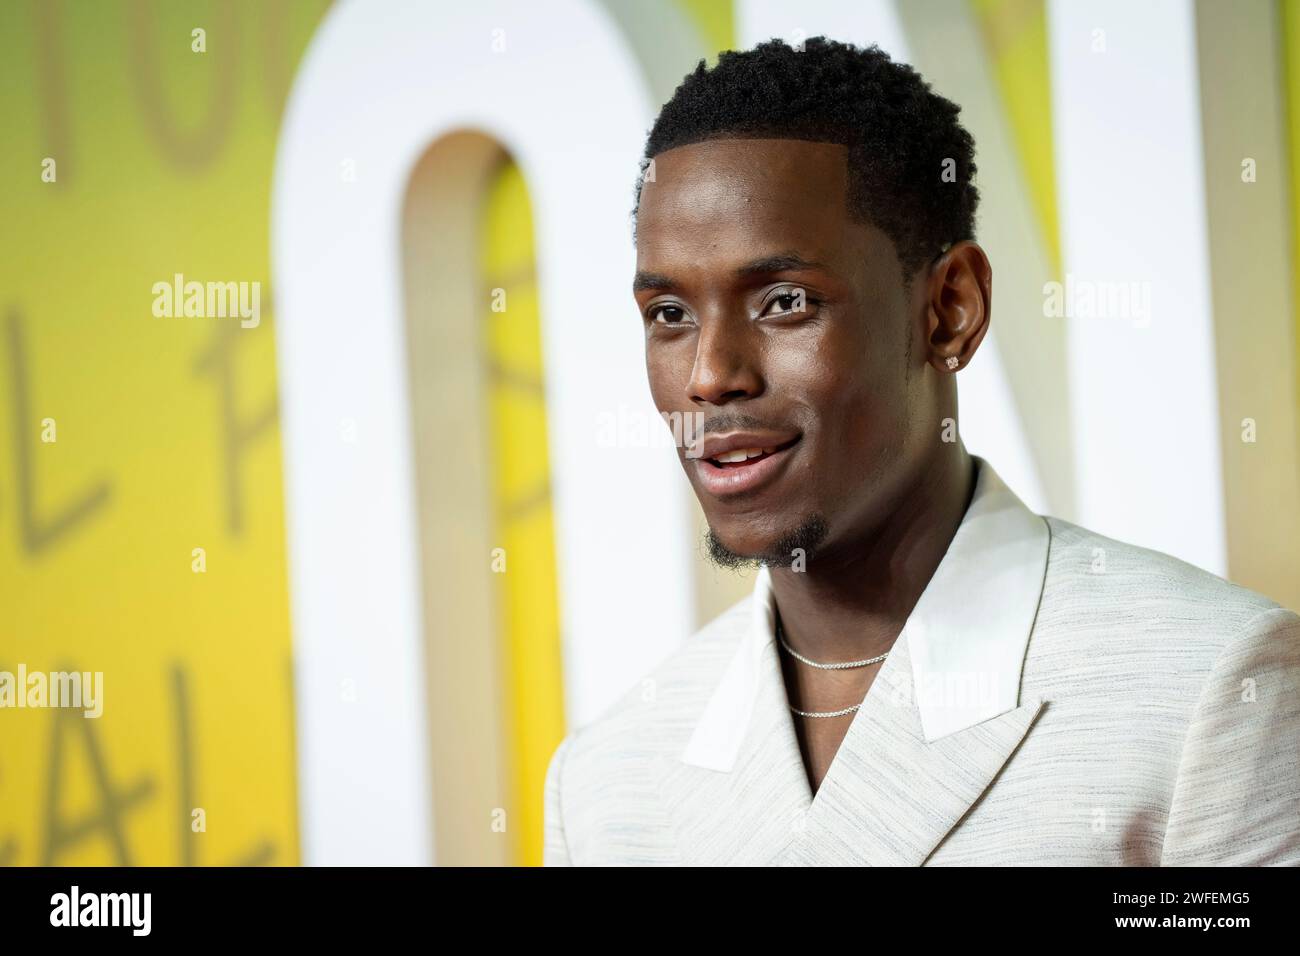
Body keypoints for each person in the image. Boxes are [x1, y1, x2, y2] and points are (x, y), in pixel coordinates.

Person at [543, 36, 1300, 865]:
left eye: (785, 301)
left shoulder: (1211, 693)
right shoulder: (604, 784)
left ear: (949, 310)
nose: (710, 376)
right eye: (669, 315)